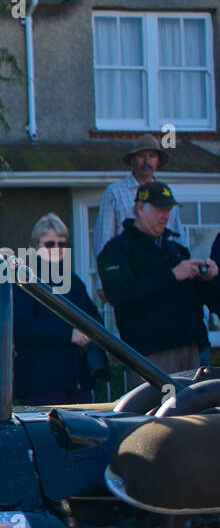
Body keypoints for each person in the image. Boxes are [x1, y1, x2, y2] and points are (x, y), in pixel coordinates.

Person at [98, 181, 219, 387]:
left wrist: (209, 279)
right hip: (150, 357)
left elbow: (204, 299)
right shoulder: (117, 249)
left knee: (195, 419)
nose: (166, 215)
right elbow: (120, 295)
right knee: (155, 417)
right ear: (140, 208)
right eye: (159, 209)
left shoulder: (176, 250)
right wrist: (172, 275)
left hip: (192, 350)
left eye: (169, 209)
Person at [14, 214, 102, 405]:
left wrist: (88, 332)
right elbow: (22, 325)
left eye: (62, 244)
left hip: (78, 382)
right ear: (36, 246)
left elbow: (93, 316)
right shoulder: (24, 280)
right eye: (50, 244)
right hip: (41, 384)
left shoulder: (73, 281)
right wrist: (69, 334)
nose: (57, 249)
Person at [94, 134, 183, 262]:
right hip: (126, 270)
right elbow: (102, 244)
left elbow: (178, 238)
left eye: (152, 156)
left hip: (162, 272)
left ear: (158, 161)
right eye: (142, 156)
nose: (147, 161)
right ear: (132, 160)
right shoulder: (115, 192)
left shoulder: (166, 194)